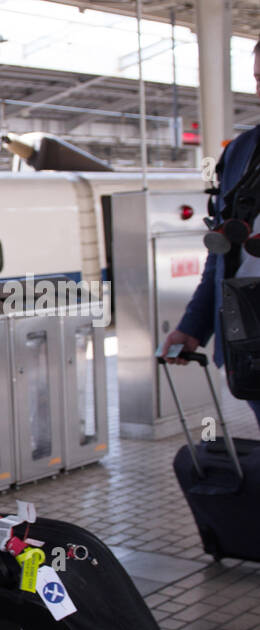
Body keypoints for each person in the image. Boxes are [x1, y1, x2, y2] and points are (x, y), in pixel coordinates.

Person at [162, 38, 260, 431]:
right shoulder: (241, 152)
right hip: (250, 343)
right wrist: (193, 326)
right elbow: (221, 252)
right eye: (258, 77)